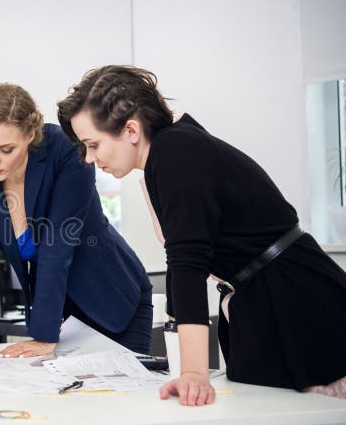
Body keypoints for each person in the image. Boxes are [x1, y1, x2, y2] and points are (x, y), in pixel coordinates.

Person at [57, 65, 346, 406]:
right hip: (266, 296)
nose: (89, 158)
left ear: (131, 129)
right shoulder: (172, 150)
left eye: (93, 145)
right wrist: (182, 358)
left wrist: (193, 372)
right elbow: (183, 252)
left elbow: (188, 262)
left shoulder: (175, 152)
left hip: (299, 301)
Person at [0, 83, 153, 370]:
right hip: (59, 317)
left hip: (112, 300)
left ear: (30, 135)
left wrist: (44, 336)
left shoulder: (66, 151)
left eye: (6, 149)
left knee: (121, 394)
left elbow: (57, 247)